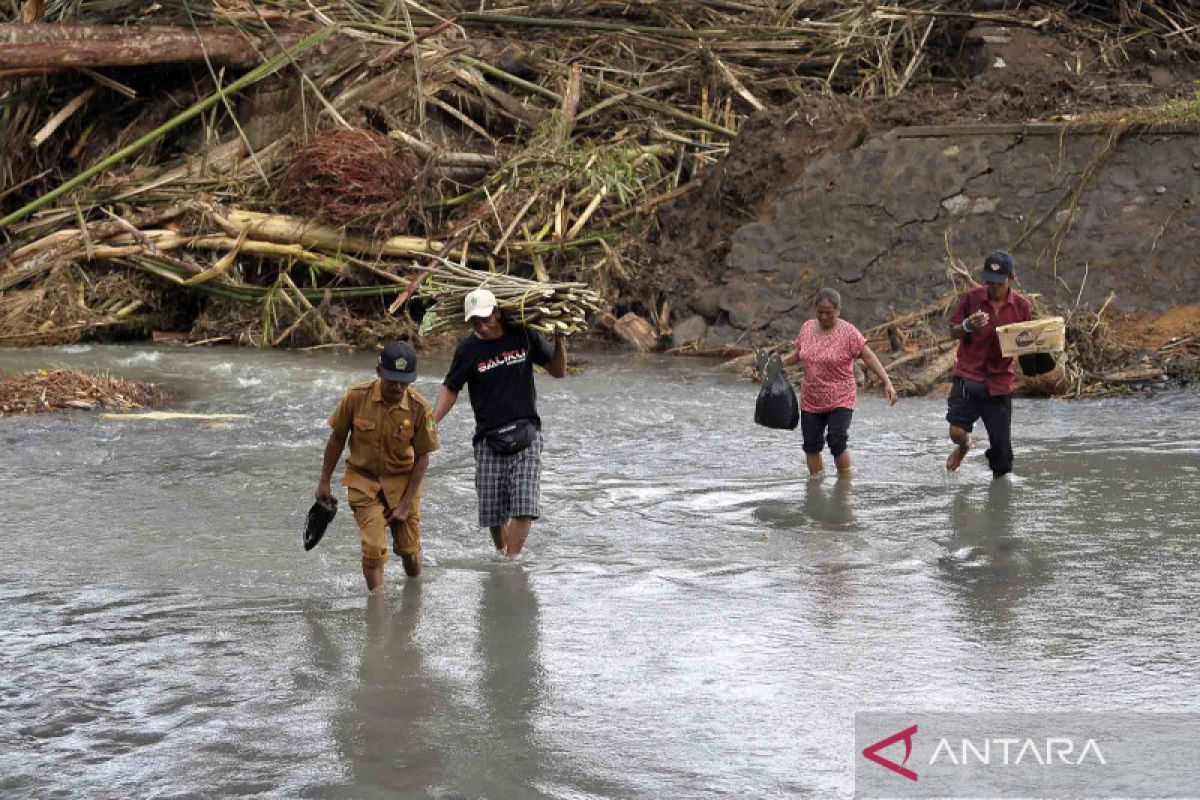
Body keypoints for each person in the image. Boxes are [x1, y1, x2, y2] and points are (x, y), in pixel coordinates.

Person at [433, 288, 568, 557]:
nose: (482, 327)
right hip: (488, 439)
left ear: (497, 313)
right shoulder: (468, 350)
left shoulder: (524, 335)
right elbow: (451, 387)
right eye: (475, 323)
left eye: (486, 319)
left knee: (524, 505)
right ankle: (503, 554)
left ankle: (511, 563)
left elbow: (558, 371)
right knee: (493, 514)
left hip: (526, 433)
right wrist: (432, 420)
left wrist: (560, 341)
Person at [316, 340, 439, 590]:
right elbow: (337, 438)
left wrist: (404, 505)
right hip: (363, 481)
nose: (398, 387)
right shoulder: (355, 397)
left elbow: (422, 458)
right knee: (373, 548)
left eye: (404, 382)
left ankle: (414, 595)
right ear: (379, 371)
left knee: (409, 551)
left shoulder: (420, 409)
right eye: (392, 381)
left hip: (403, 484)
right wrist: (324, 481)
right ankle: (376, 606)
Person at [781, 287, 898, 476]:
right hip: (811, 398)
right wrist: (781, 363)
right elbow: (799, 353)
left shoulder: (848, 332)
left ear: (838, 311)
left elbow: (868, 357)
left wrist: (887, 382)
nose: (824, 317)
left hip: (840, 397)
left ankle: (844, 484)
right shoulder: (807, 328)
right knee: (811, 445)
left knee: (836, 440)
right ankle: (816, 485)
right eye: (820, 312)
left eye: (829, 313)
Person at [945, 250, 1033, 478]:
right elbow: (953, 332)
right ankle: (964, 445)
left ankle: (1000, 494)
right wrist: (967, 325)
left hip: (999, 381)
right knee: (956, 432)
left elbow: (1027, 343)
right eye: (989, 282)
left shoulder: (1022, 307)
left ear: (1011, 278)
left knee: (1002, 459)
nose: (993, 287)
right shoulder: (971, 298)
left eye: (998, 283)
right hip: (968, 376)